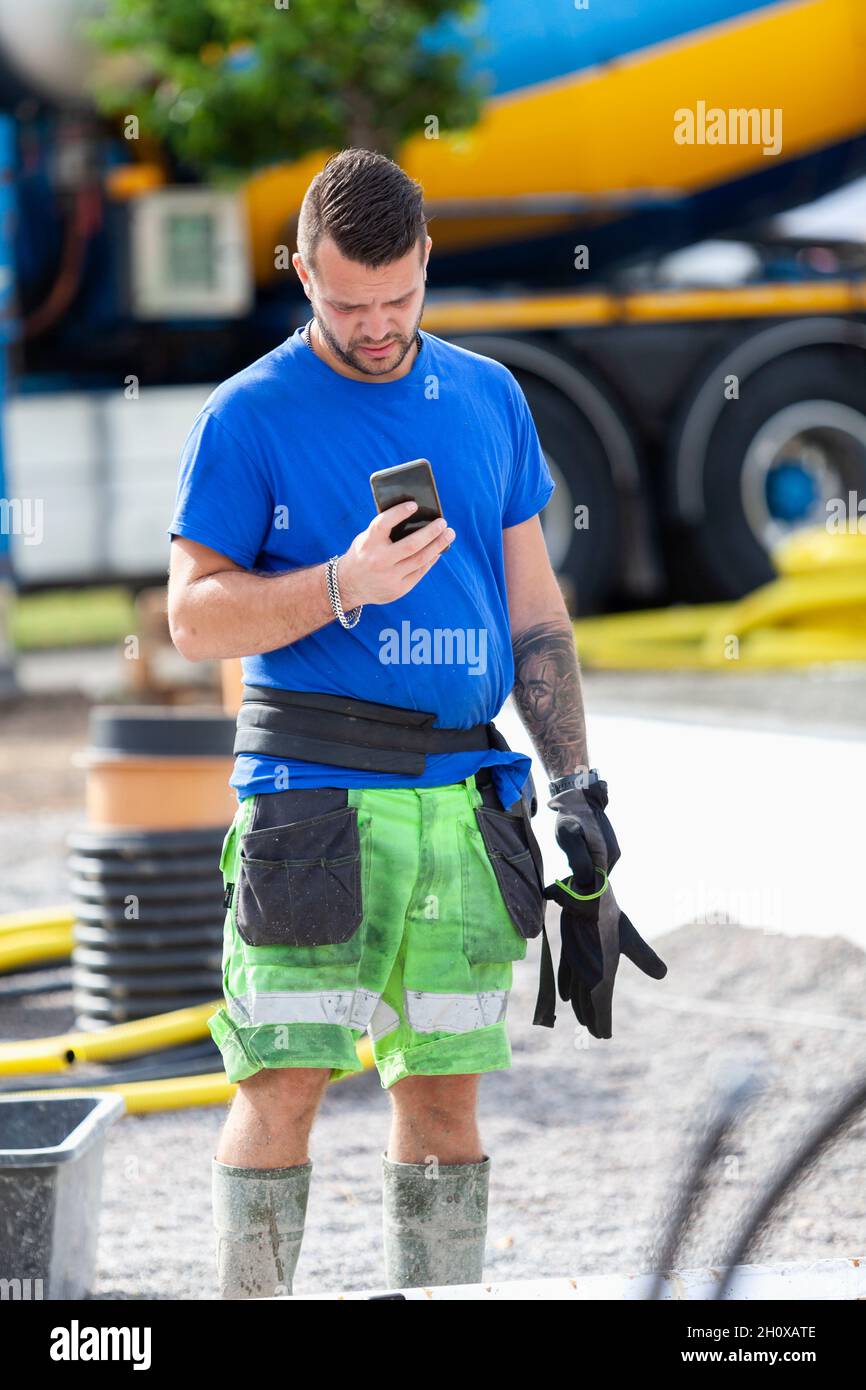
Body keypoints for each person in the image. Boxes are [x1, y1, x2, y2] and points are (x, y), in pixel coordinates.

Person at [166, 147, 625, 1298]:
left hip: (464, 807)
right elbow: (191, 618)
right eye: (343, 302)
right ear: (300, 275)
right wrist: (341, 584)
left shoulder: (487, 396)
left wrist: (573, 784)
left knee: (442, 1088)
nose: (375, 327)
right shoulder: (249, 413)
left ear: (425, 260)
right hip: (310, 797)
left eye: (397, 298)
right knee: (284, 1079)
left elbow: (533, 610)